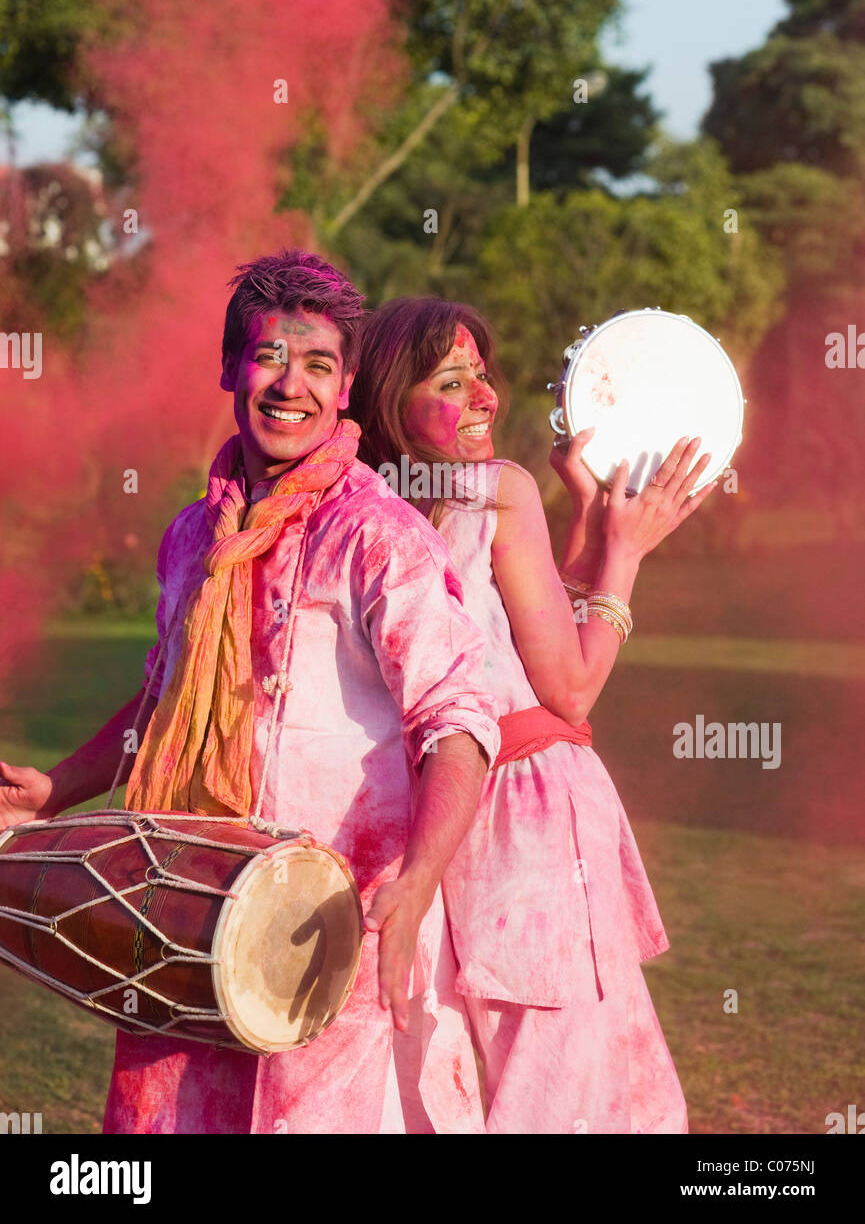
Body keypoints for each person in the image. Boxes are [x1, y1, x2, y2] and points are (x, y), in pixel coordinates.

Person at [0, 251, 501, 1135]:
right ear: (231, 367)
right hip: (186, 907)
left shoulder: (379, 538)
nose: (288, 385)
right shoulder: (194, 534)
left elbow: (457, 722)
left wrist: (420, 877)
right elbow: (163, 698)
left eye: (316, 365)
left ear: (345, 386)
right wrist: (56, 789)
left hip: (331, 926)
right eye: (270, 357)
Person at [349, 295, 718, 1134]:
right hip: (529, 818)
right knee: (574, 1085)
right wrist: (626, 554)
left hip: (434, 821)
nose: (485, 397)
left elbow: (516, 632)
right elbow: (571, 686)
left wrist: (589, 527)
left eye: (483, 376)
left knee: (458, 1081)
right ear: (391, 401)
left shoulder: (373, 512)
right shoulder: (497, 492)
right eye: (453, 381)